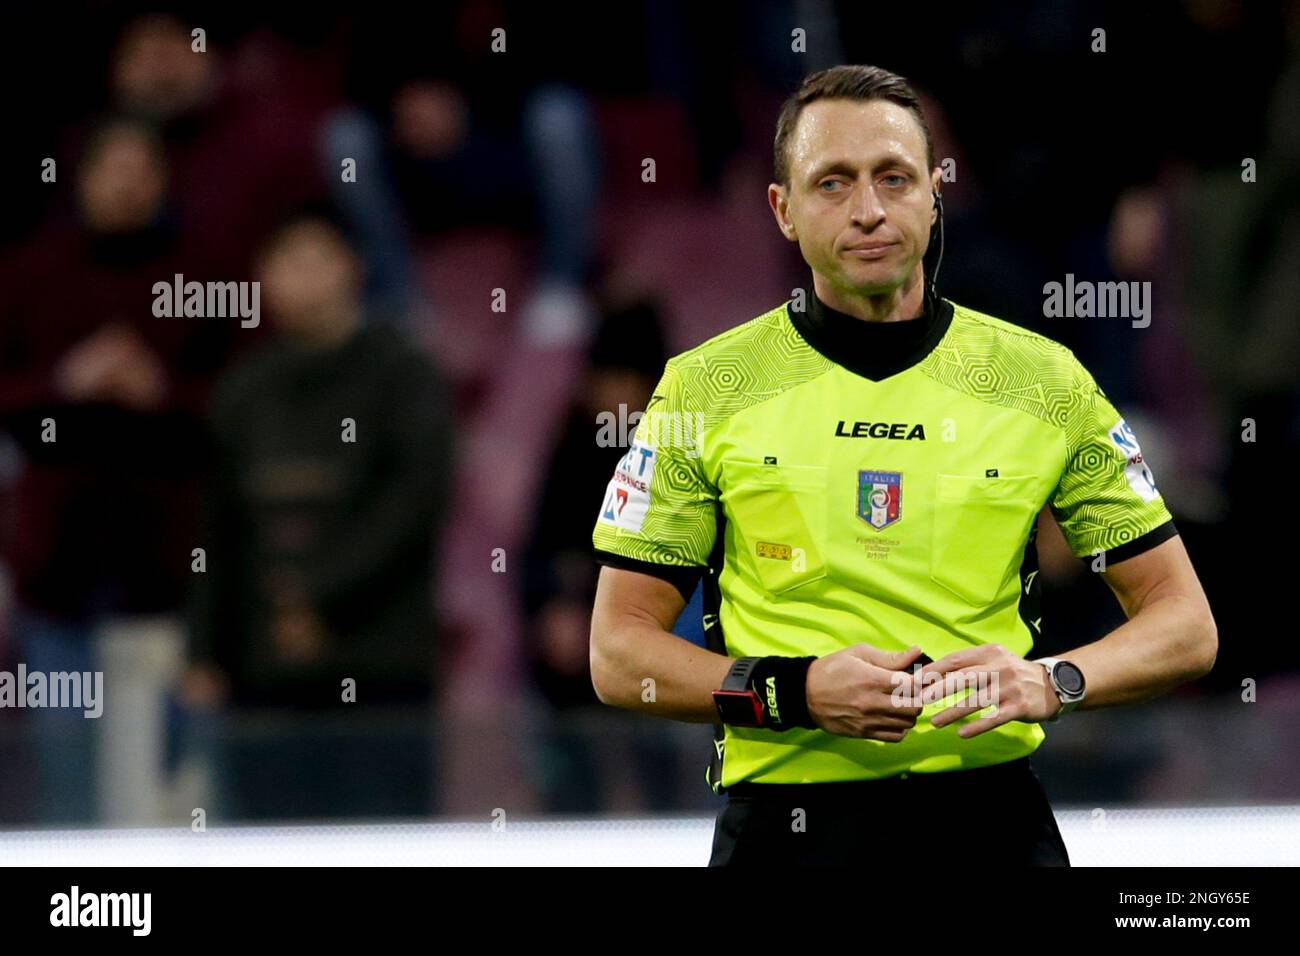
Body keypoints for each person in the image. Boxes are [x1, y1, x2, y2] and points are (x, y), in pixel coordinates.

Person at [588, 65, 1218, 866]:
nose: (869, 210)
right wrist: (796, 692)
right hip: (786, 835)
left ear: (934, 194)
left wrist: (1051, 680)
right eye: (833, 183)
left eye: (895, 178)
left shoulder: (1044, 382)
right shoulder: (705, 390)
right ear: (782, 209)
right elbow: (617, 652)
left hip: (991, 827)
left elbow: (1185, 625)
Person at [183, 204, 454, 820]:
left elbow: (413, 508)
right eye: (286, 262)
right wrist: (202, 651)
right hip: (264, 680)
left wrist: (317, 597)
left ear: (352, 267)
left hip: (378, 667)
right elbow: (217, 533)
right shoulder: (244, 390)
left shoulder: (404, 376)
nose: (301, 278)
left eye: (316, 259)